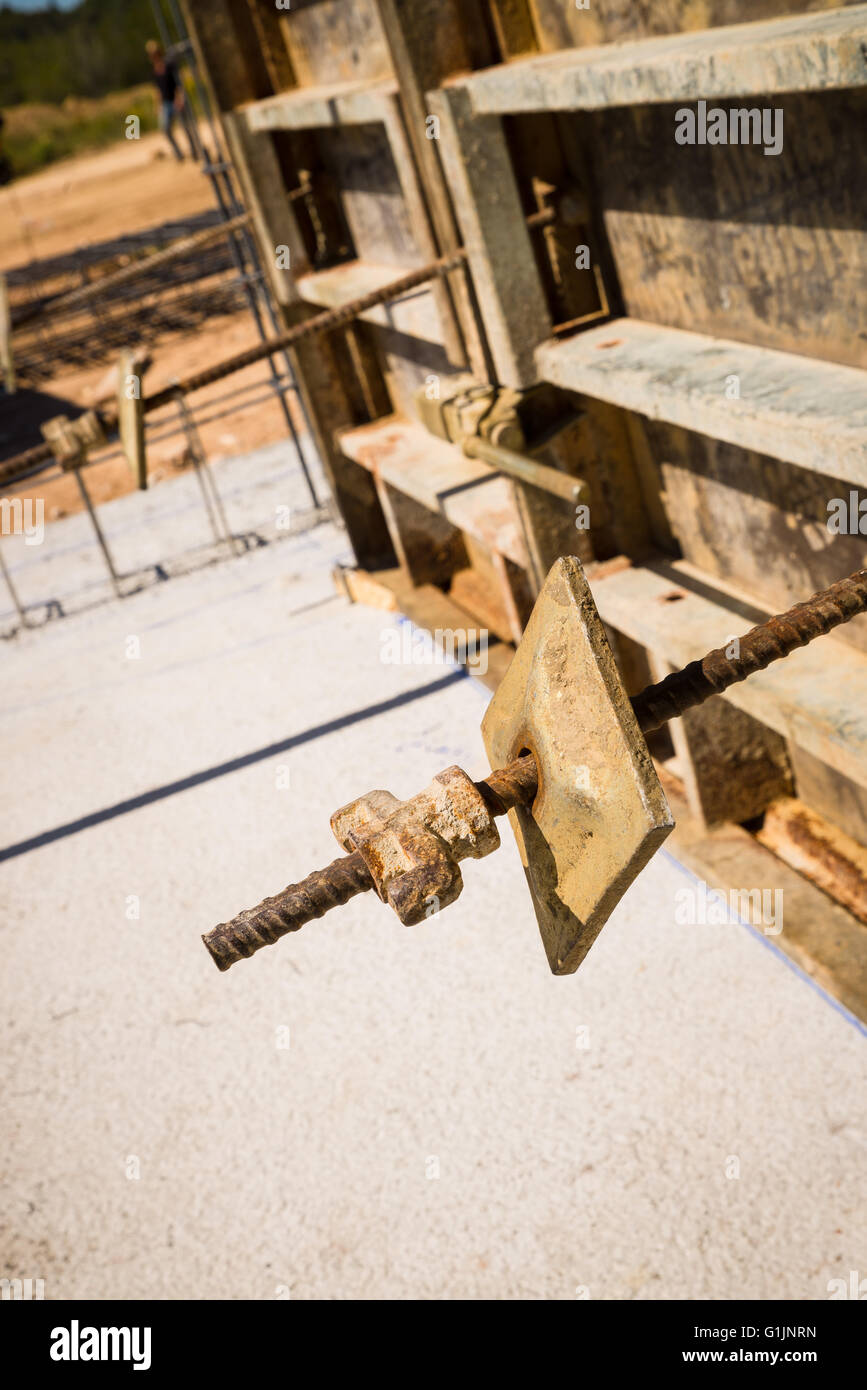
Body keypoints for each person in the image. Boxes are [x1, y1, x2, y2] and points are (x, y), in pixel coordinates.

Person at [146, 40, 195, 162]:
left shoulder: (169, 65)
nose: (154, 56)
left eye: (155, 52)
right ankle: (178, 154)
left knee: (185, 127)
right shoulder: (155, 70)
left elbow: (179, 82)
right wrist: (158, 106)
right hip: (166, 104)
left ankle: (194, 150)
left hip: (175, 100)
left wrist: (180, 98)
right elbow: (157, 90)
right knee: (165, 128)